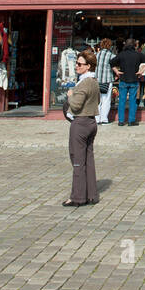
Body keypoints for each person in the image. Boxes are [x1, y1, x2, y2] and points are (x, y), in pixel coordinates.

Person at [62, 48, 100, 207]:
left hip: (81, 123)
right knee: (88, 160)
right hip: (91, 122)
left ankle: (78, 197)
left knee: (77, 161)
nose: (76, 66)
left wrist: (71, 96)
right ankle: (91, 194)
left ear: (88, 66)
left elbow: (76, 105)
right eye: (76, 63)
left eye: (79, 64)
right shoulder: (94, 82)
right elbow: (97, 101)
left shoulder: (84, 83)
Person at [110, 37, 145, 126]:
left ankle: (121, 121)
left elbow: (111, 63)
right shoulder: (138, 54)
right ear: (134, 45)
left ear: (125, 44)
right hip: (134, 79)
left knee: (121, 100)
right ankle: (131, 121)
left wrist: (117, 71)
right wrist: (141, 71)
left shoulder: (122, 54)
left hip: (123, 80)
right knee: (132, 101)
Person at [95, 37, 115, 124]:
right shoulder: (112, 55)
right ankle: (104, 119)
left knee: (97, 100)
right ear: (110, 46)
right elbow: (114, 66)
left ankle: (97, 118)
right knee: (106, 100)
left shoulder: (96, 55)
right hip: (107, 79)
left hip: (97, 79)